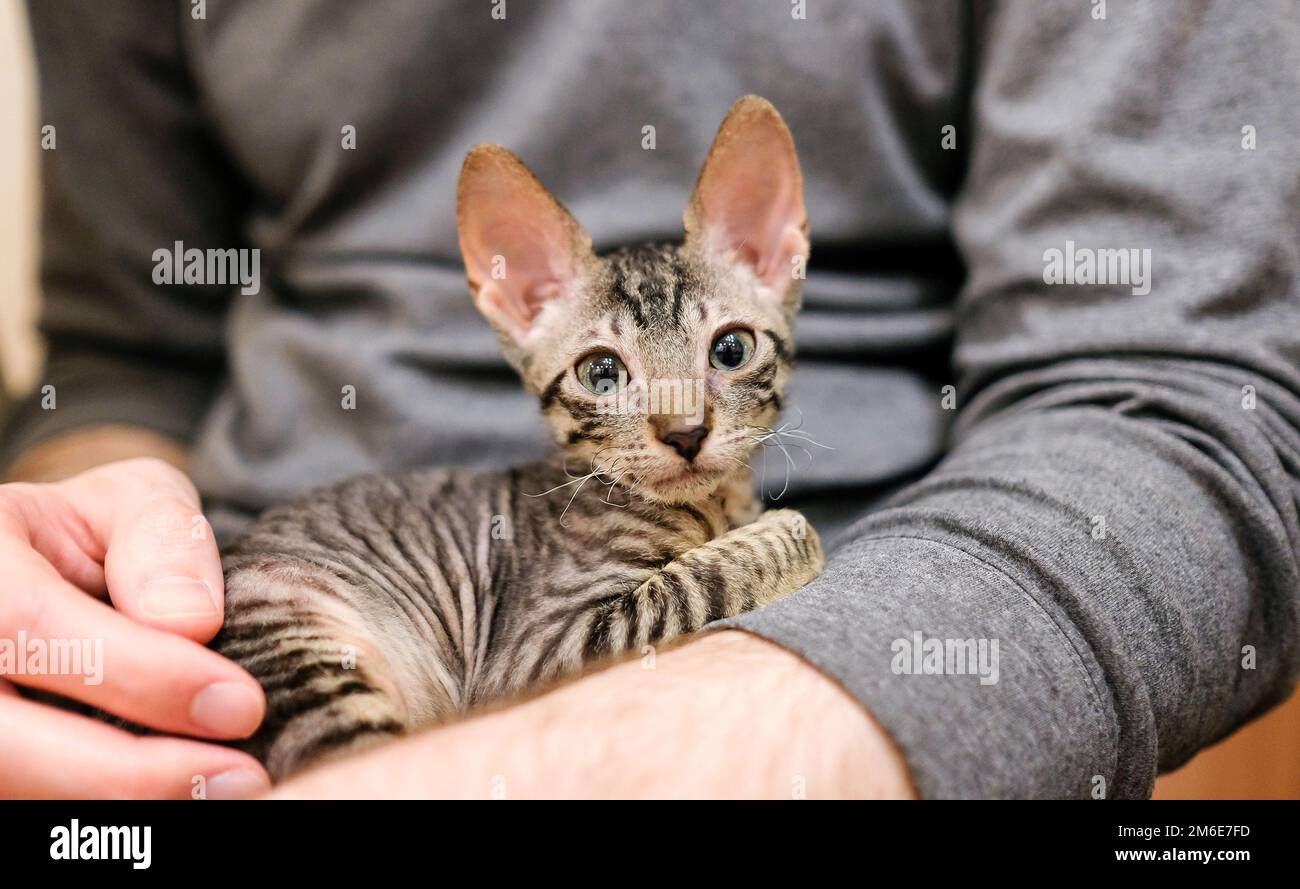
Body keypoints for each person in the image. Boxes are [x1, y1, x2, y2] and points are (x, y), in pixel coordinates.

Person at [2, 0, 1297, 799]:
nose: (680, 420)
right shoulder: (585, 533)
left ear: (778, 255)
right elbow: (123, 350)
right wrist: (79, 604)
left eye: (728, 354)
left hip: (879, 670)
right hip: (237, 642)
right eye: (613, 374)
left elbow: (1177, 381)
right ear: (516, 300)